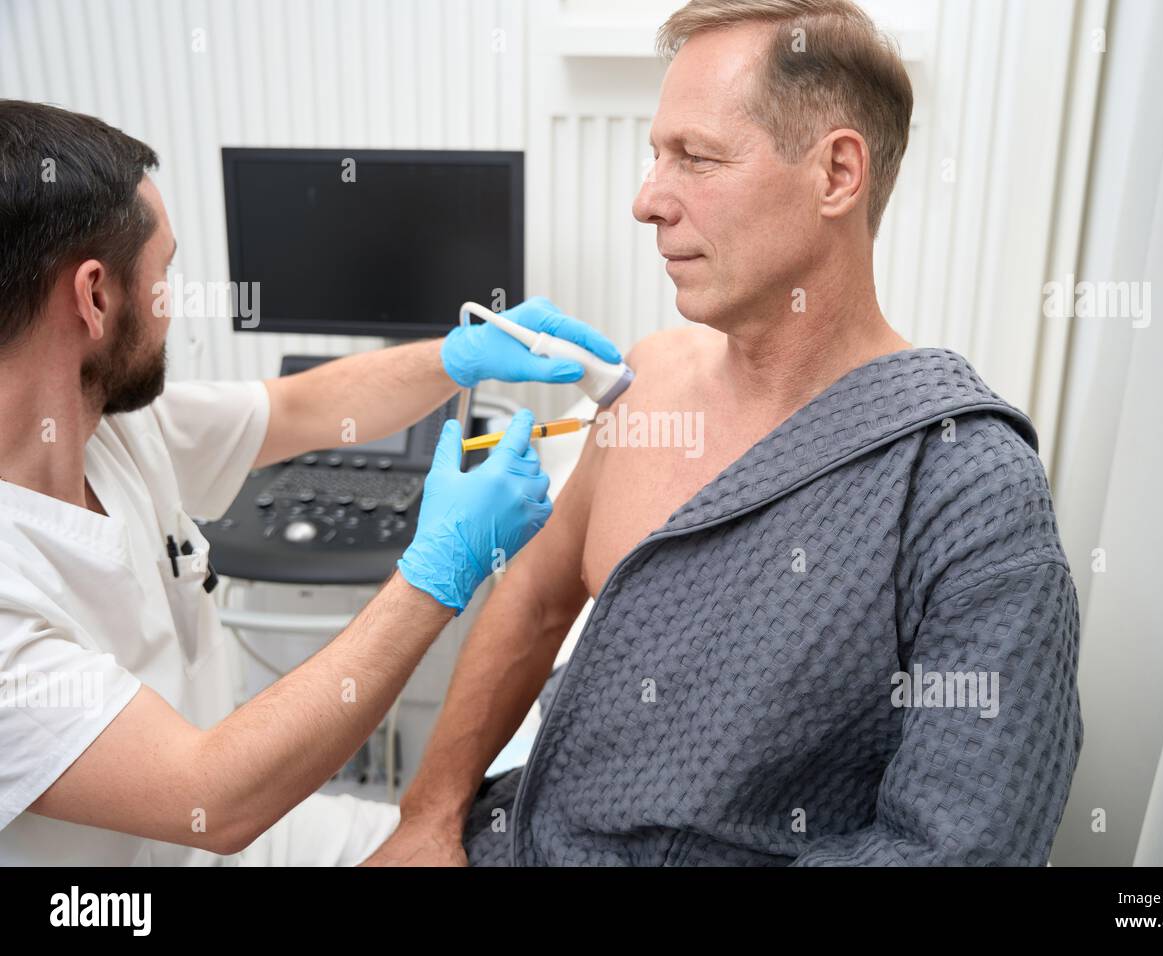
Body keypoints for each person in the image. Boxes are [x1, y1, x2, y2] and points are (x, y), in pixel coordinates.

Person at [369, 0, 1083, 866]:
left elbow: (959, 848)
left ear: (837, 174)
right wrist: (428, 814)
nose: (646, 201)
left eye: (696, 158)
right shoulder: (650, 380)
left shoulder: (969, 490)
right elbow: (536, 601)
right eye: (655, 156)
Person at [0, 99, 622, 865]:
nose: (175, 306)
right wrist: (439, 571)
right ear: (95, 297)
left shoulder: (111, 427)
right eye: (165, 274)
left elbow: (300, 407)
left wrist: (460, 355)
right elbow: (207, 797)